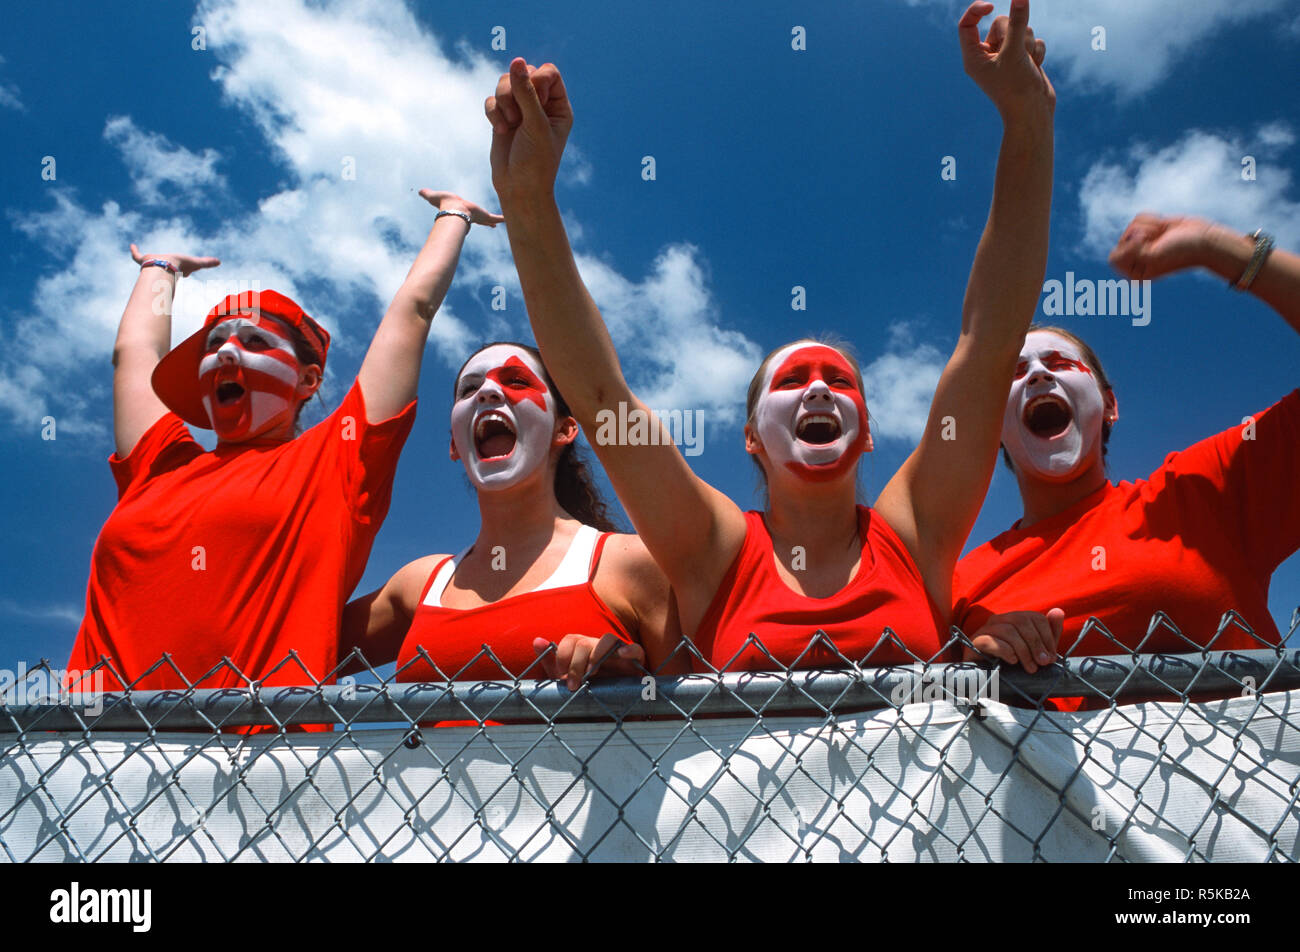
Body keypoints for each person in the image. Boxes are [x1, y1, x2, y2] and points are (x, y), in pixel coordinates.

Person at [481, 0, 1055, 672]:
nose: (818, 387)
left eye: (838, 381)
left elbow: (990, 341)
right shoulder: (713, 548)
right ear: (751, 438)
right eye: (792, 381)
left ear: (867, 432)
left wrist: (1028, 118)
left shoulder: (914, 530)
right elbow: (605, 402)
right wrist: (526, 199)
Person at [68, 190, 500, 704]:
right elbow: (134, 353)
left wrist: (454, 215)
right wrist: (160, 269)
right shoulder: (158, 463)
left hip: (251, 754)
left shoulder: (338, 458)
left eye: (253, 342)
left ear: (308, 379)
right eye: (214, 344)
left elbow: (415, 310)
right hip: (85, 749)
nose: (226, 350)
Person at [954, 215, 1300, 690]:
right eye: (1014, 374)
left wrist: (1219, 248)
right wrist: (976, 666)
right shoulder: (962, 581)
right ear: (993, 426)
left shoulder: (1194, 495)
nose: (1038, 375)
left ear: (1110, 405)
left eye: (1059, 362)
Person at [342, 342, 682, 694]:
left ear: (563, 430)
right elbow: (296, 644)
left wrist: (631, 691)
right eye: (470, 389)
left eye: (517, 381)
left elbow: (701, 723)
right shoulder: (416, 585)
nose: (488, 391)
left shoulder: (632, 563)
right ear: (455, 446)